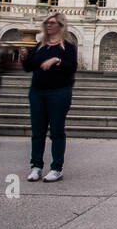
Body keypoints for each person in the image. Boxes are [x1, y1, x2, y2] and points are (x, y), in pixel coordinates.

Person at [23, 13, 78, 182]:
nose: (48, 25)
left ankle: (56, 168)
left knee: (56, 131)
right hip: (37, 91)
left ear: (60, 26)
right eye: (46, 22)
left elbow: (71, 67)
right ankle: (36, 166)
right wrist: (24, 57)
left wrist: (56, 60)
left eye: (52, 23)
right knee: (37, 131)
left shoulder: (67, 47)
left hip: (59, 91)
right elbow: (28, 67)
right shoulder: (40, 45)